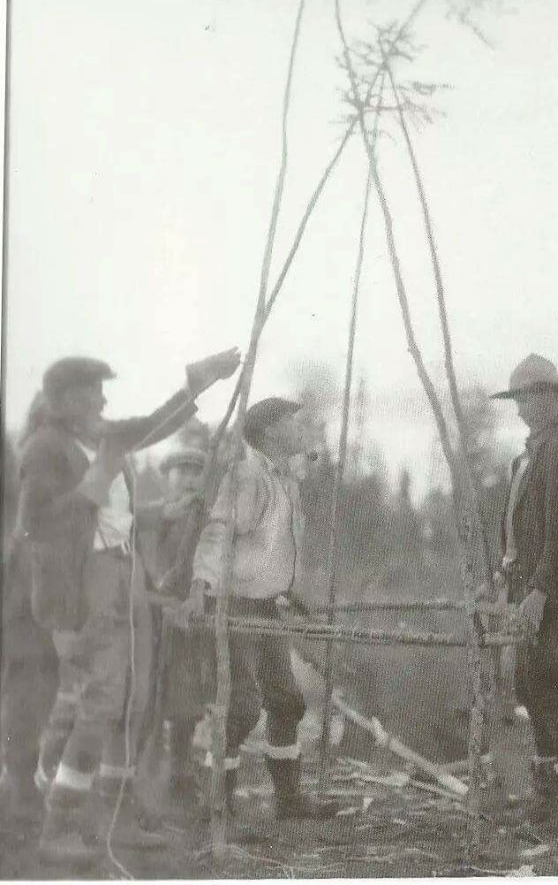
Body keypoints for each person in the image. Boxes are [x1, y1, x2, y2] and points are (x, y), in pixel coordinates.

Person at [16, 348, 240, 865]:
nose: (103, 401)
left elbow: (154, 426)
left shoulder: (104, 437)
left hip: (123, 572)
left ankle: (114, 818)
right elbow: (34, 524)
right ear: (64, 400)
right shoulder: (46, 448)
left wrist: (196, 385)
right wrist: (95, 482)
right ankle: (58, 823)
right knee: (101, 699)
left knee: (132, 700)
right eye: (93, 393)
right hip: (83, 583)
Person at [175, 396, 338, 824]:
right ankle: (218, 804)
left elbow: (274, 550)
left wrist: (292, 593)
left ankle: (289, 799)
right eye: (291, 421)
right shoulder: (248, 476)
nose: (300, 428)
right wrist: (199, 587)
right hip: (236, 605)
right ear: (269, 431)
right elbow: (219, 533)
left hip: (267, 607)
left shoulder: (284, 480)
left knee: (286, 701)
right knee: (241, 707)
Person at [489, 354, 558, 841]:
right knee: (531, 689)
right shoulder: (531, 455)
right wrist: (508, 575)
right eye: (516, 399)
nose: (519, 409)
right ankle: (547, 796)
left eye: (526, 398)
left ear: (550, 396)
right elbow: (523, 530)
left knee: (554, 690)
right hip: (528, 589)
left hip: (555, 594)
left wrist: (539, 590)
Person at [0, 416, 59, 823]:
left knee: (38, 691)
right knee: (24, 690)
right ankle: (20, 784)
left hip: (41, 603)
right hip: (21, 603)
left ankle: (26, 781)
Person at [152, 447, 210, 806]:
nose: (189, 478)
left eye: (195, 472)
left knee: (186, 701)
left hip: (188, 622)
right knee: (147, 698)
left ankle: (179, 771)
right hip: (151, 619)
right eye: (182, 470)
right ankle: (141, 773)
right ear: (167, 476)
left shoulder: (206, 521)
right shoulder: (155, 517)